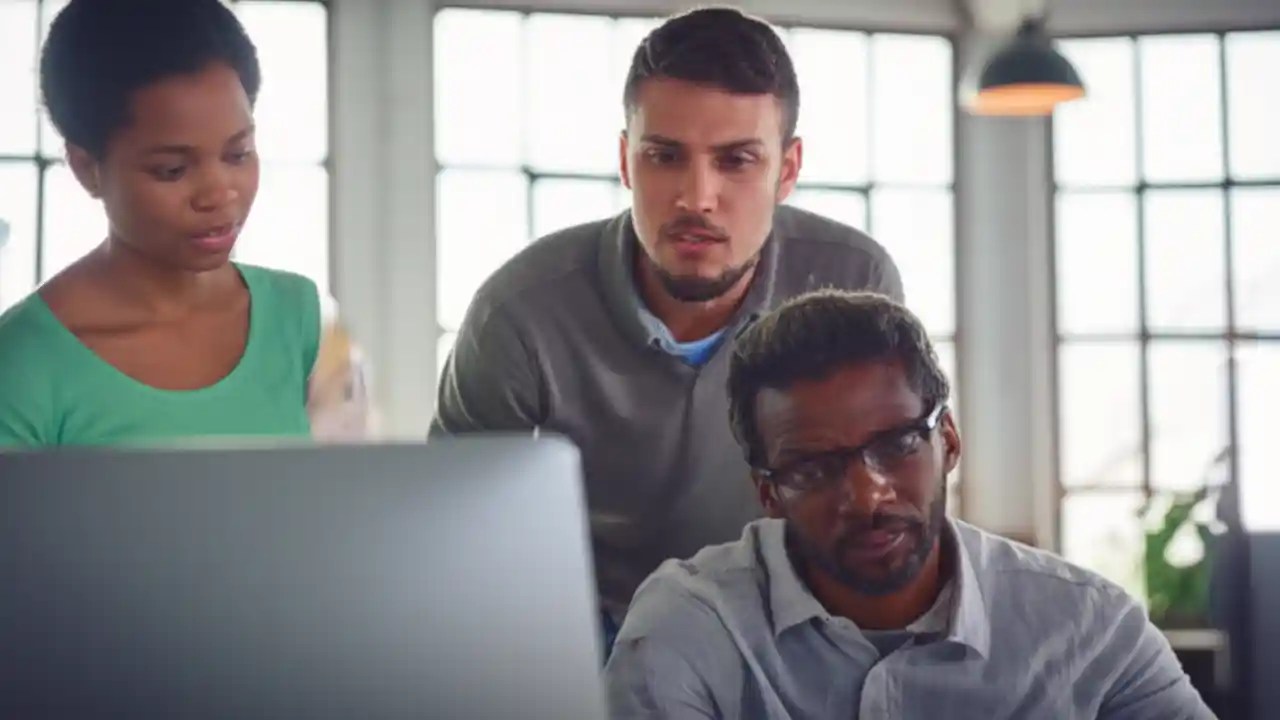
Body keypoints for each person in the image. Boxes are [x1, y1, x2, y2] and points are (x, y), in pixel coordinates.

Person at [433, 7, 903, 624]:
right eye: (665, 156)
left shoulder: (854, 284)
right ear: (627, 161)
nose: (696, 197)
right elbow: (453, 538)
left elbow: (888, 505)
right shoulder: (519, 315)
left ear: (786, 170)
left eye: (736, 160)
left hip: (793, 626)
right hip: (590, 633)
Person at [604, 290, 1214, 719]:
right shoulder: (690, 625)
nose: (868, 495)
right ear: (769, 493)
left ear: (947, 440)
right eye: (814, 467)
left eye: (896, 445)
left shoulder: (1092, 630)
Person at [0, 0, 368, 448]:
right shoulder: (22, 362)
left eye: (238, 154)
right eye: (172, 169)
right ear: (85, 167)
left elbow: (357, 501)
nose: (219, 193)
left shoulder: (309, 323)